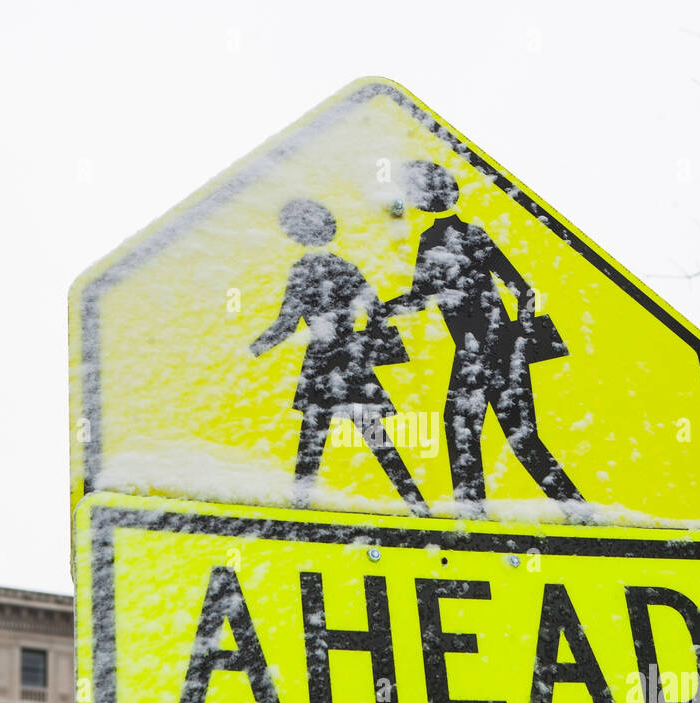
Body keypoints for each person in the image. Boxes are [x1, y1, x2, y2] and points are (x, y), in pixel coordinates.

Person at [391, 161, 583, 513]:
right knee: (520, 438)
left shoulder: (433, 240)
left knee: (463, 432)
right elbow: (524, 292)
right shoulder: (473, 234)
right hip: (503, 349)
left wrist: (375, 310)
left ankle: (473, 515)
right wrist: (519, 341)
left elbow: (420, 297)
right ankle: (577, 509)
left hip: (476, 352)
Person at [250, 198, 427, 515]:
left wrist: (253, 350)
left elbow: (287, 323)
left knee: (311, 443)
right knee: (377, 440)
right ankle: (417, 505)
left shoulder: (304, 270)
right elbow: (375, 310)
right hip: (352, 361)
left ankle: (300, 508)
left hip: (322, 363)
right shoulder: (346, 266)